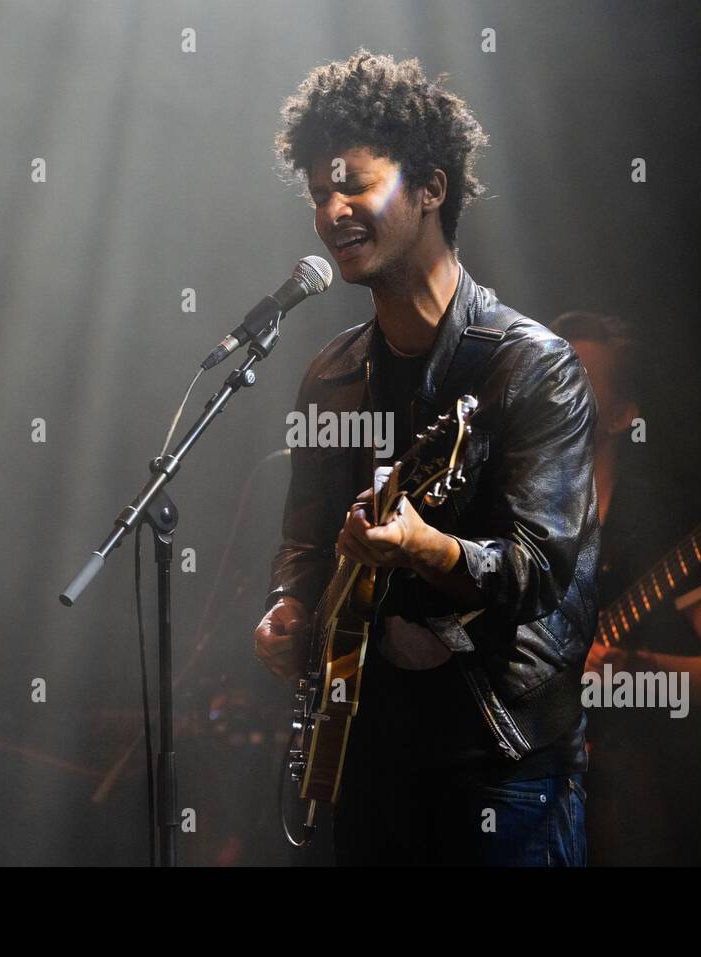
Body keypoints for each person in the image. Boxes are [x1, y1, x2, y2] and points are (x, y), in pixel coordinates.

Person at [252, 50, 600, 866]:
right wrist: (289, 605)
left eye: (353, 184)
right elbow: (304, 545)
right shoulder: (330, 376)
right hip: (367, 763)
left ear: (432, 188)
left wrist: (427, 548)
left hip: (501, 771)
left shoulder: (529, 366)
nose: (332, 209)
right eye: (318, 194)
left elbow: (543, 574)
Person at [551, 311, 701, 865]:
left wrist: (643, 671)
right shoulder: (523, 521)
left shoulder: (667, 523)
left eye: (578, 377)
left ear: (623, 415)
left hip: (653, 807)